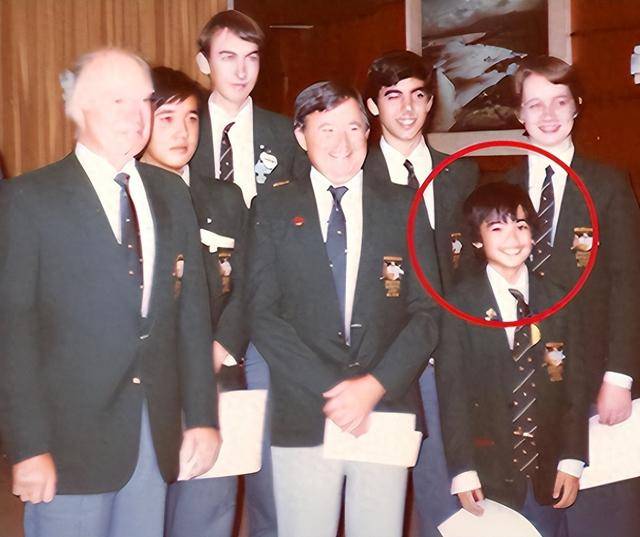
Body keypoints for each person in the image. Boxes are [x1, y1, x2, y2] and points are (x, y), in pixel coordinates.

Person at [0, 49, 220, 537]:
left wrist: (203, 418)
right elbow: (13, 337)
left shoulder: (171, 194)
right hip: (67, 446)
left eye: (143, 100)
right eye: (118, 100)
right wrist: (28, 447)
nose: (137, 115)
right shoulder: (28, 199)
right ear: (79, 107)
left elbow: (191, 317)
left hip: (152, 438)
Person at [247, 80, 439, 537]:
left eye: (354, 128)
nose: (342, 142)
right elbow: (262, 314)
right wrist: (333, 389)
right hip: (305, 408)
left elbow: (428, 313)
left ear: (368, 133)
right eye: (326, 128)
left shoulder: (404, 205)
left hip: (385, 406)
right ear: (301, 136)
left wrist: (373, 386)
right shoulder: (272, 207)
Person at [505, 55, 640, 537]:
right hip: (525, 390)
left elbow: (629, 282)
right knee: (534, 521)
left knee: (603, 520)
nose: (548, 115)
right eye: (534, 104)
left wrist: (619, 377)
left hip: (595, 382)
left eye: (559, 101)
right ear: (519, 114)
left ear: (577, 105)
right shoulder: (499, 190)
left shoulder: (607, 184)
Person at [191, 12, 301, 533]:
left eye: (251, 58)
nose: (240, 71)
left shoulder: (287, 135)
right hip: (201, 321)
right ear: (204, 62)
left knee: (271, 468)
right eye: (227, 57)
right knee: (204, 475)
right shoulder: (177, 125)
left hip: (271, 320)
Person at [363, 49, 480, 536]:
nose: (407, 108)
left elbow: (473, 270)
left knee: (446, 487)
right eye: (393, 96)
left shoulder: (461, 174)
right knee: (377, 498)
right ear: (373, 106)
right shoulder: (355, 173)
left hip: (445, 355)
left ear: (431, 102)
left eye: (417, 95)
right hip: (378, 356)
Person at [436, 181, 589, 537]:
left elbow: (575, 388)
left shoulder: (558, 300)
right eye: (497, 228)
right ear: (477, 240)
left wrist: (572, 460)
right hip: (487, 468)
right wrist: (463, 470)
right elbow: (453, 393)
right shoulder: (459, 305)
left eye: (521, 226)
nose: (513, 238)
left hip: (548, 469)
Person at [140, 66, 248, 537]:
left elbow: (251, 283)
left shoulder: (225, 197)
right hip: (151, 384)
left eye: (191, 118)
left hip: (219, 373)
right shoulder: (127, 197)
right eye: (166, 118)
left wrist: (221, 347)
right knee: (148, 513)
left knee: (210, 510)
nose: (182, 132)